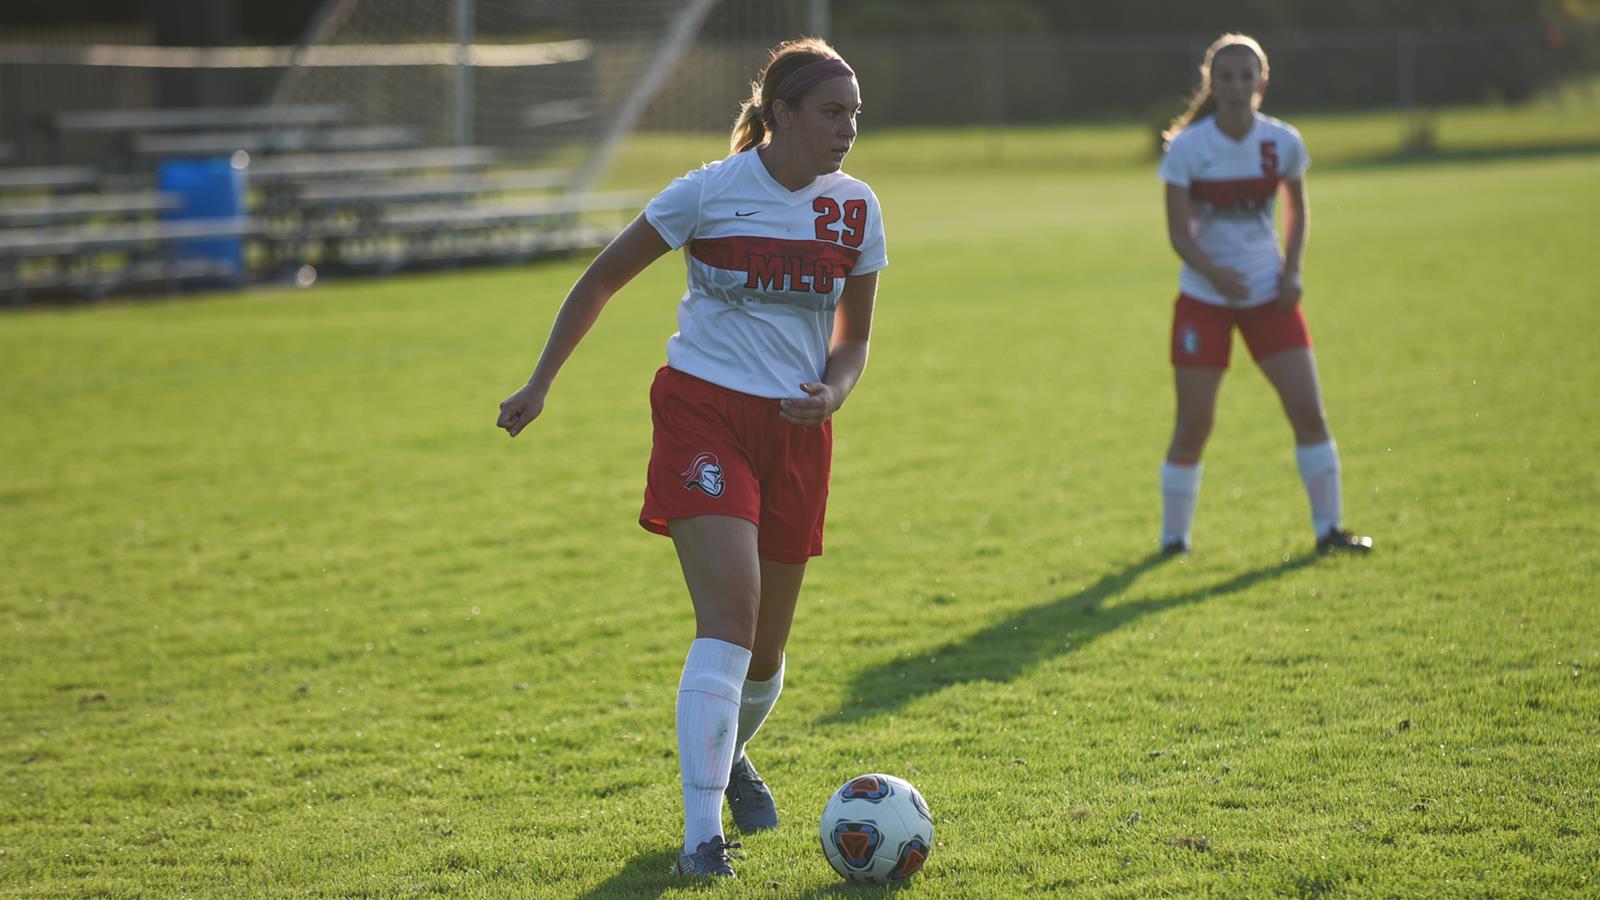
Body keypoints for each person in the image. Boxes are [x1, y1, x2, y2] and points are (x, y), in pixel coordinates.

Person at [496, 38, 885, 879]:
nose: (847, 129)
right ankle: (701, 840)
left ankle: (728, 752)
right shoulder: (708, 191)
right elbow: (600, 279)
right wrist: (539, 383)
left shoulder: (855, 209)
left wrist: (835, 391)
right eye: (830, 112)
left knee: (768, 655)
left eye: (854, 113)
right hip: (702, 413)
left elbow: (853, 339)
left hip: (797, 430)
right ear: (779, 115)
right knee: (732, 616)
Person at [1156, 33, 1371, 556]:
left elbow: (1297, 211)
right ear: (1211, 82)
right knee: (1194, 425)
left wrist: (1292, 271)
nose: (1234, 86)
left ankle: (1329, 531)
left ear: (1262, 81)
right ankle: (1173, 540)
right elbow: (1179, 232)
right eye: (1224, 77)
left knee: (1309, 413)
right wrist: (1214, 273)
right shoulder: (1188, 148)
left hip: (1269, 298)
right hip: (1203, 302)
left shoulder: (1283, 142)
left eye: (1244, 76)